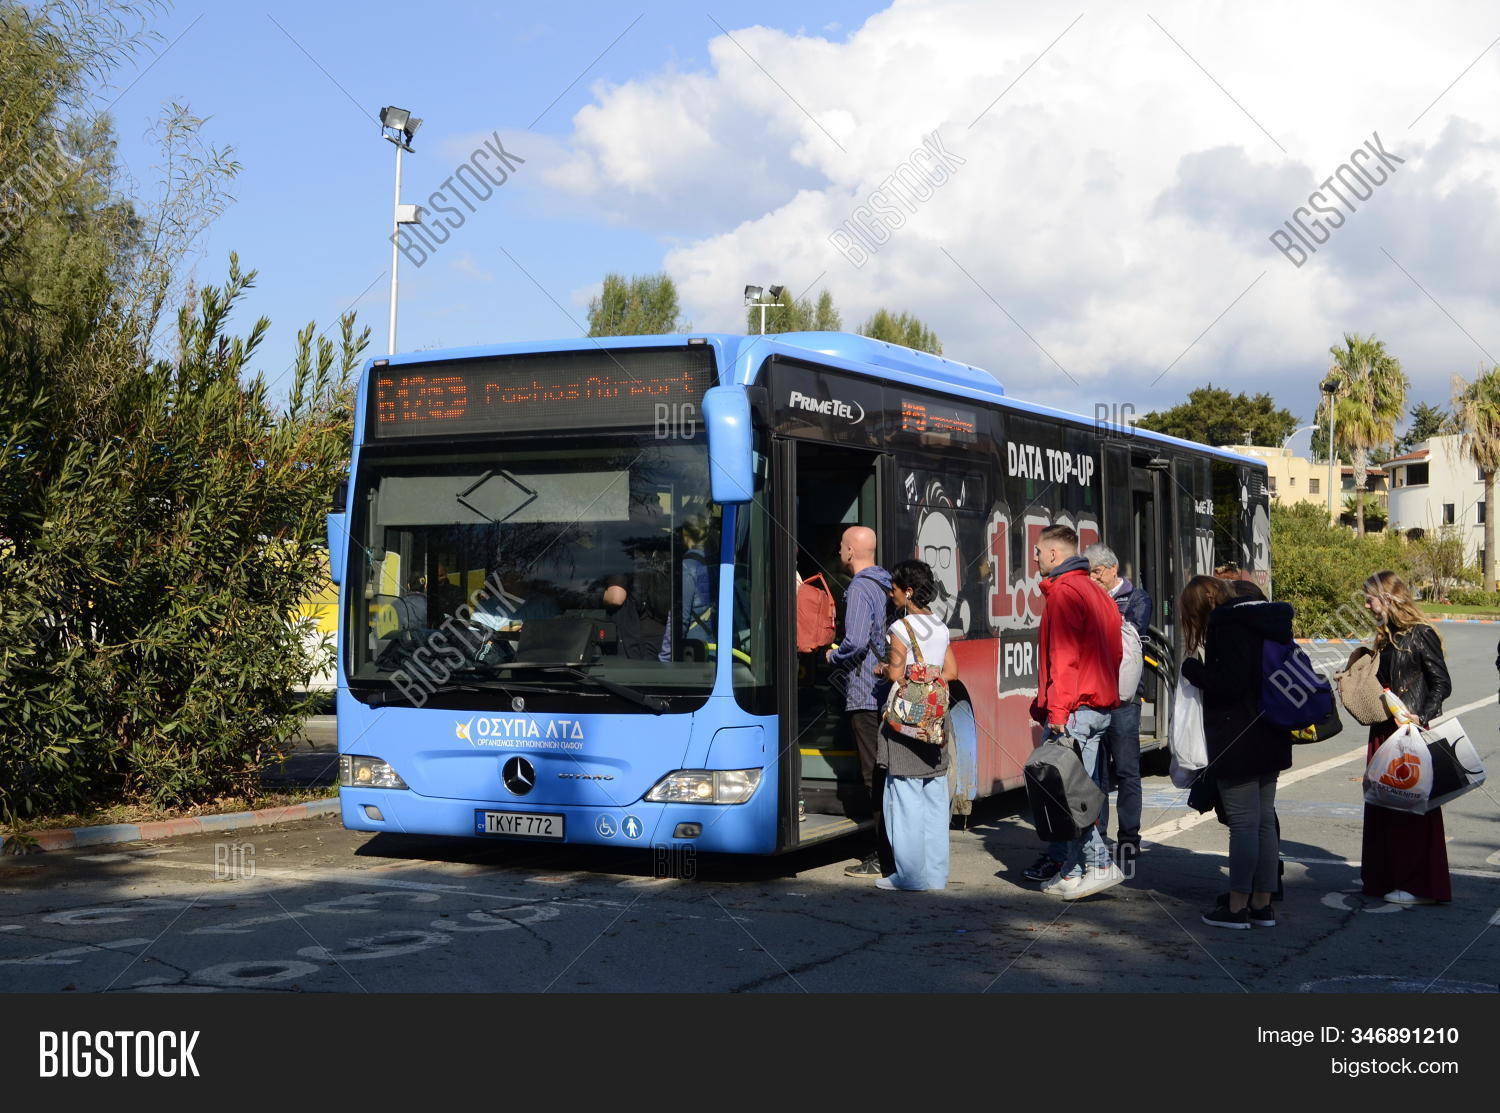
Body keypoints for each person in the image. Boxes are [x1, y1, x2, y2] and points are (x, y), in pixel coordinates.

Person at [1179, 576, 1291, 929]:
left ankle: (1237, 905)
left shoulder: (1227, 624)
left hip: (1237, 737)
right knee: (1263, 821)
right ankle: (1262, 904)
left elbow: (1229, 684)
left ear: (1207, 600)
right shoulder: (1269, 619)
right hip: (1272, 730)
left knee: (1243, 823)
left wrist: (1194, 669)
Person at [1023, 524, 1125, 900]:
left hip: (1076, 710)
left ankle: (1098, 863)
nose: (1034, 559)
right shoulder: (1096, 592)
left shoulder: (1064, 593)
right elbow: (1113, 652)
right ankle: (1072, 870)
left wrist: (1058, 712)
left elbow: (1063, 658)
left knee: (1068, 794)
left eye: (1037, 552)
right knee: (1077, 790)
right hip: (1097, 707)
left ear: (1053, 555)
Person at [1360, 571, 1453, 905]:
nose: (1367, 605)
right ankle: (1384, 876)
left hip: (1409, 731)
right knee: (1382, 803)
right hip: (1385, 730)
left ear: (1388, 597)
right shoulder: (1387, 636)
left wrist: (1422, 716)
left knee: (1411, 809)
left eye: (1370, 598)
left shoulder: (1420, 634)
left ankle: (1417, 885)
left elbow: (1442, 683)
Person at [873, 560, 959, 890]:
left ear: (908, 592)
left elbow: (895, 674)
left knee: (904, 797)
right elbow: (951, 671)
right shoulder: (939, 625)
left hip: (907, 718)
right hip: (936, 718)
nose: (891, 593)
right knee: (935, 797)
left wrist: (881, 668)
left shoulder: (900, 628)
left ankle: (909, 876)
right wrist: (928, 673)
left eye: (895, 588)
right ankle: (936, 875)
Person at [826, 525, 894, 879]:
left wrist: (832, 657)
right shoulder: (886, 584)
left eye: (841, 546)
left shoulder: (858, 588)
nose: (839, 550)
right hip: (886, 691)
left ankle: (882, 855)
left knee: (872, 776)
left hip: (865, 692)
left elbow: (854, 642)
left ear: (851, 551)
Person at [1084, 542, 1153, 866]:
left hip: (1124, 699)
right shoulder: (1091, 595)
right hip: (1096, 696)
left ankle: (1129, 838)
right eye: (1090, 573)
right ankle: (1098, 832)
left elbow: (1131, 635)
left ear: (1112, 569)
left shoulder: (1137, 598)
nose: (1094, 578)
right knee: (1096, 774)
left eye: (1097, 572)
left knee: (1127, 771)